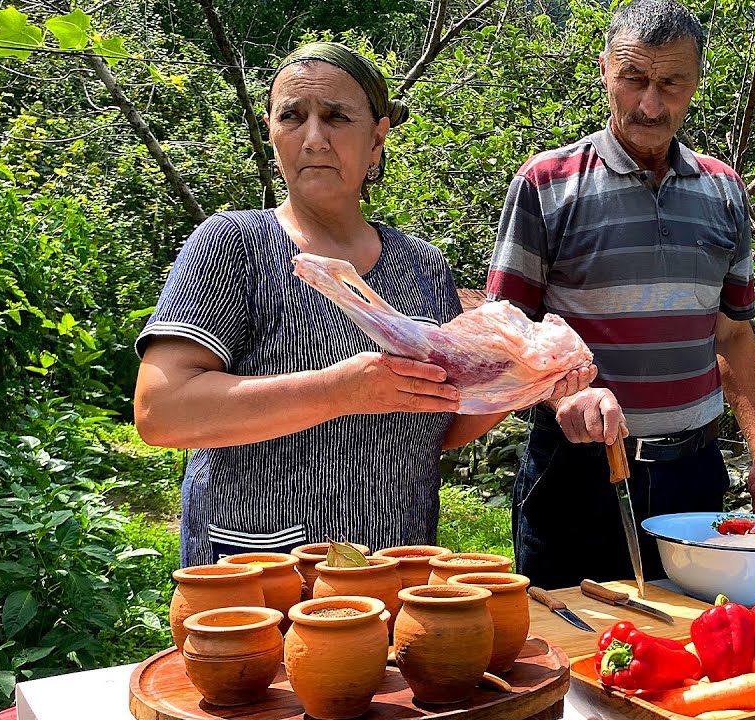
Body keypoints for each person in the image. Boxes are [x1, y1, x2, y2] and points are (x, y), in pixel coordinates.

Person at [134, 42, 592, 566]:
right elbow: (160, 411)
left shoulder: (421, 264)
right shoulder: (235, 243)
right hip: (265, 572)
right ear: (271, 133)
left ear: (376, 139)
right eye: (292, 116)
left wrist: (522, 381)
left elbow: (439, 423)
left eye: (336, 117)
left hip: (398, 562)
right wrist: (339, 391)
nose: (313, 138)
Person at [486, 0, 755, 590]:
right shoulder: (546, 183)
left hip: (693, 476)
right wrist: (563, 397)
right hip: (576, 472)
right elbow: (506, 334)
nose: (651, 104)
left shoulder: (723, 190)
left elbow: (732, 334)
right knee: (569, 634)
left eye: (671, 83)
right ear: (605, 70)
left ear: (697, 82)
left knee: (692, 632)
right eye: (634, 78)